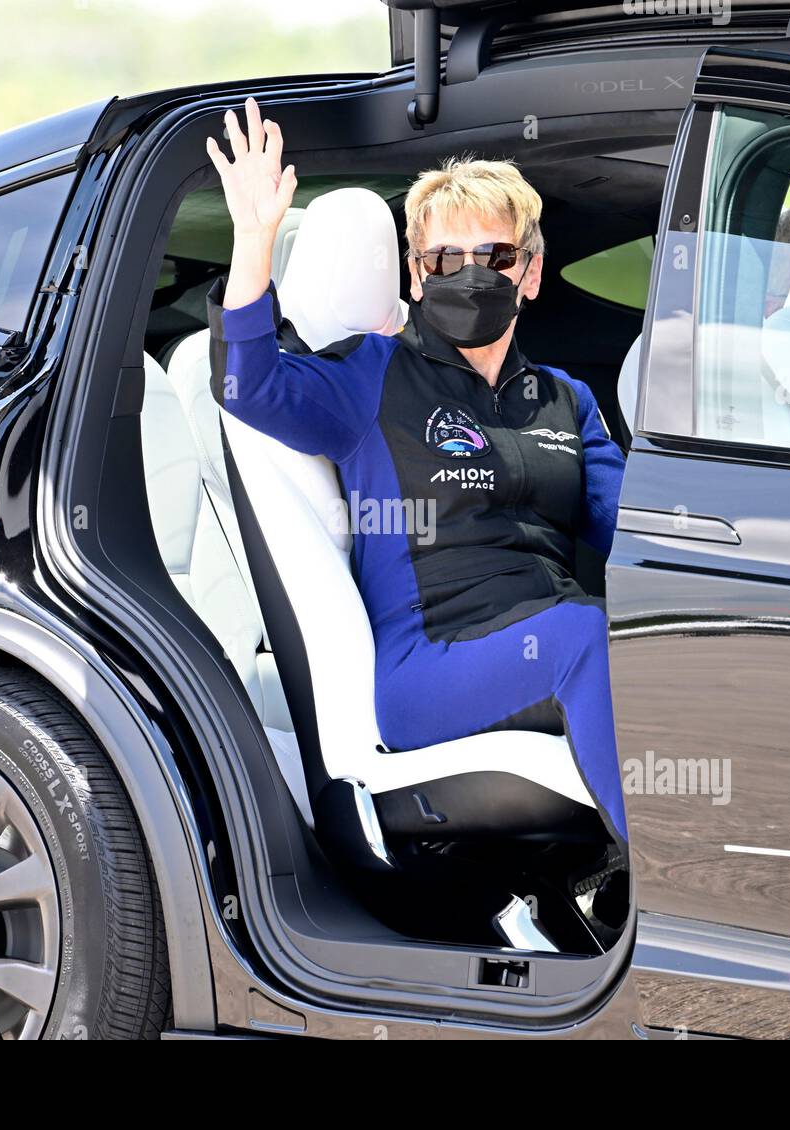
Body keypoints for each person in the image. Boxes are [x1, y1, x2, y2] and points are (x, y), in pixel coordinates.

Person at [204, 98, 627, 843]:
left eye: (494, 258)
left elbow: (641, 532)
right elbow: (251, 387)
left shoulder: (567, 400)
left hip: (549, 640)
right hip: (429, 671)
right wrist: (254, 239)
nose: (469, 276)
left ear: (529, 273)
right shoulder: (373, 377)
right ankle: (674, 906)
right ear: (415, 273)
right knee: (586, 638)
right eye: (444, 261)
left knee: (676, 647)